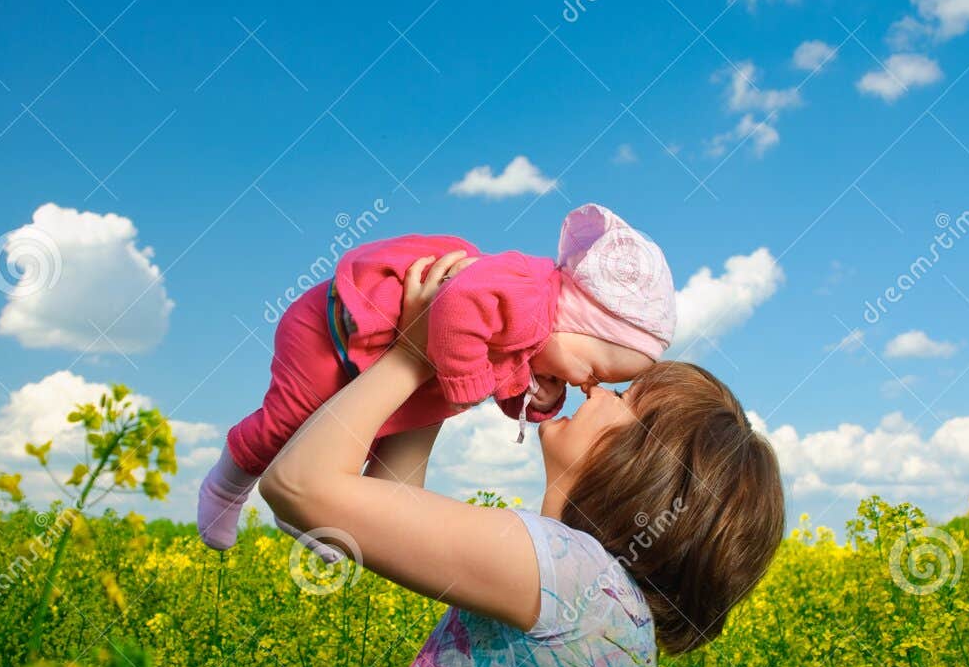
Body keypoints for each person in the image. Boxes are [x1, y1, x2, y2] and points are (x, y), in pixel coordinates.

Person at [261, 251, 785, 667]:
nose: (596, 389)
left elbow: (298, 486)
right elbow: (381, 504)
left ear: (648, 470)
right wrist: (447, 358)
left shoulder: (570, 573)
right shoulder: (591, 595)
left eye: (623, 400)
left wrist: (413, 357)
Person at [198, 203, 677, 551]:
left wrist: (535, 399)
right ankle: (225, 485)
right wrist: (463, 388)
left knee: (362, 446)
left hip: (380, 360)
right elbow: (456, 307)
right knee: (287, 425)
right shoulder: (528, 292)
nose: (583, 387)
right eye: (591, 372)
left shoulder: (537, 333)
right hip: (330, 336)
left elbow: (502, 378)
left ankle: (322, 516)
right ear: (575, 318)